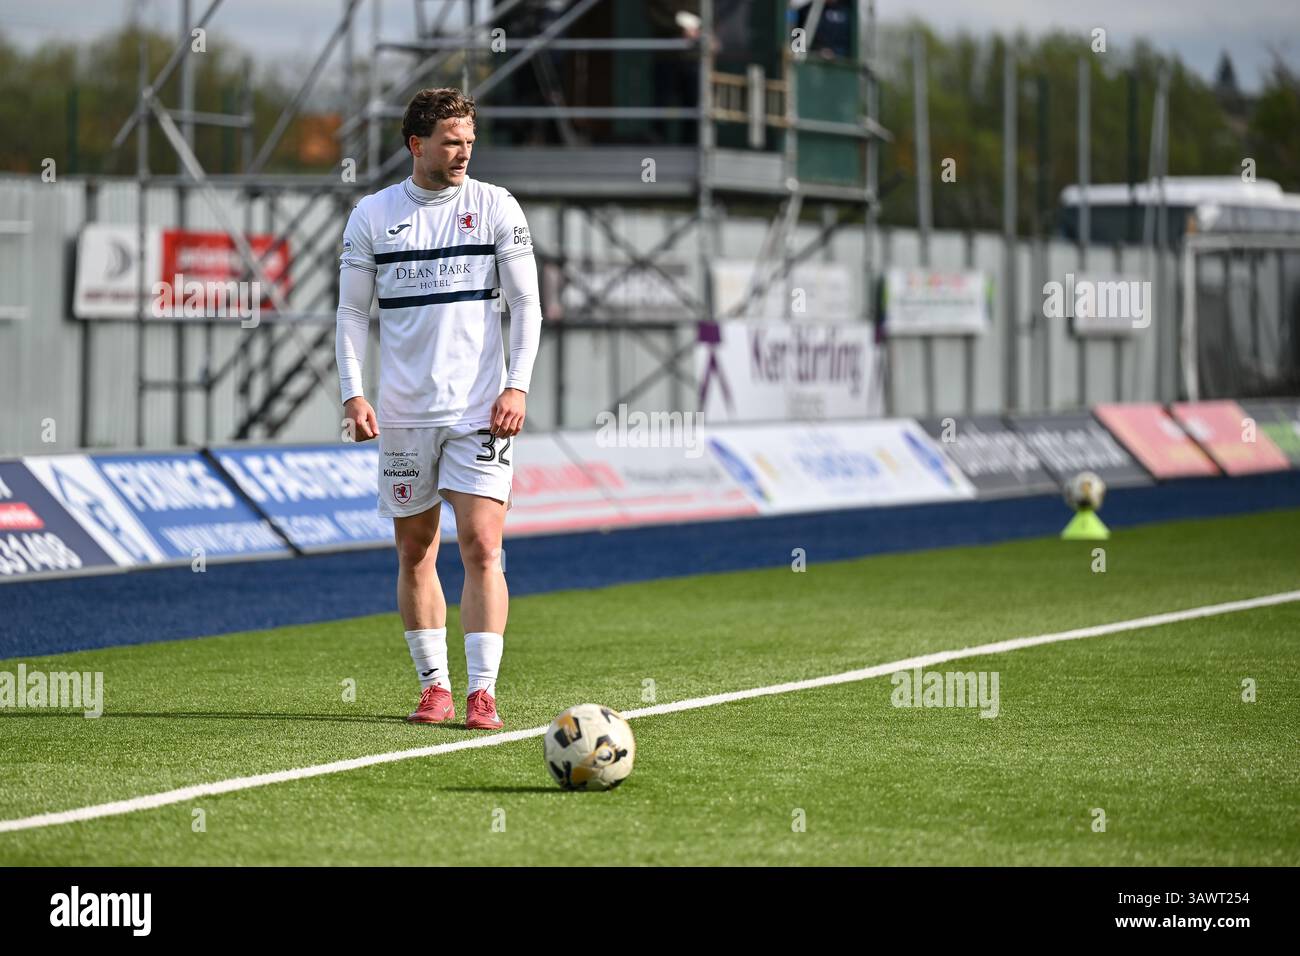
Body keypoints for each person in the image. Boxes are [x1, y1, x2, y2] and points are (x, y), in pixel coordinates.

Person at [335, 88, 542, 729]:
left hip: (481, 408)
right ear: (415, 143)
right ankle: (435, 687)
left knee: (482, 544)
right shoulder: (372, 214)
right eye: (451, 142)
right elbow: (350, 313)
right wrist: (352, 391)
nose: (463, 153)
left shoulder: (496, 205)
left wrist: (517, 385)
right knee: (415, 549)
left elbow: (528, 305)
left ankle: (483, 693)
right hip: (402, 413)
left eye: (470, 142)